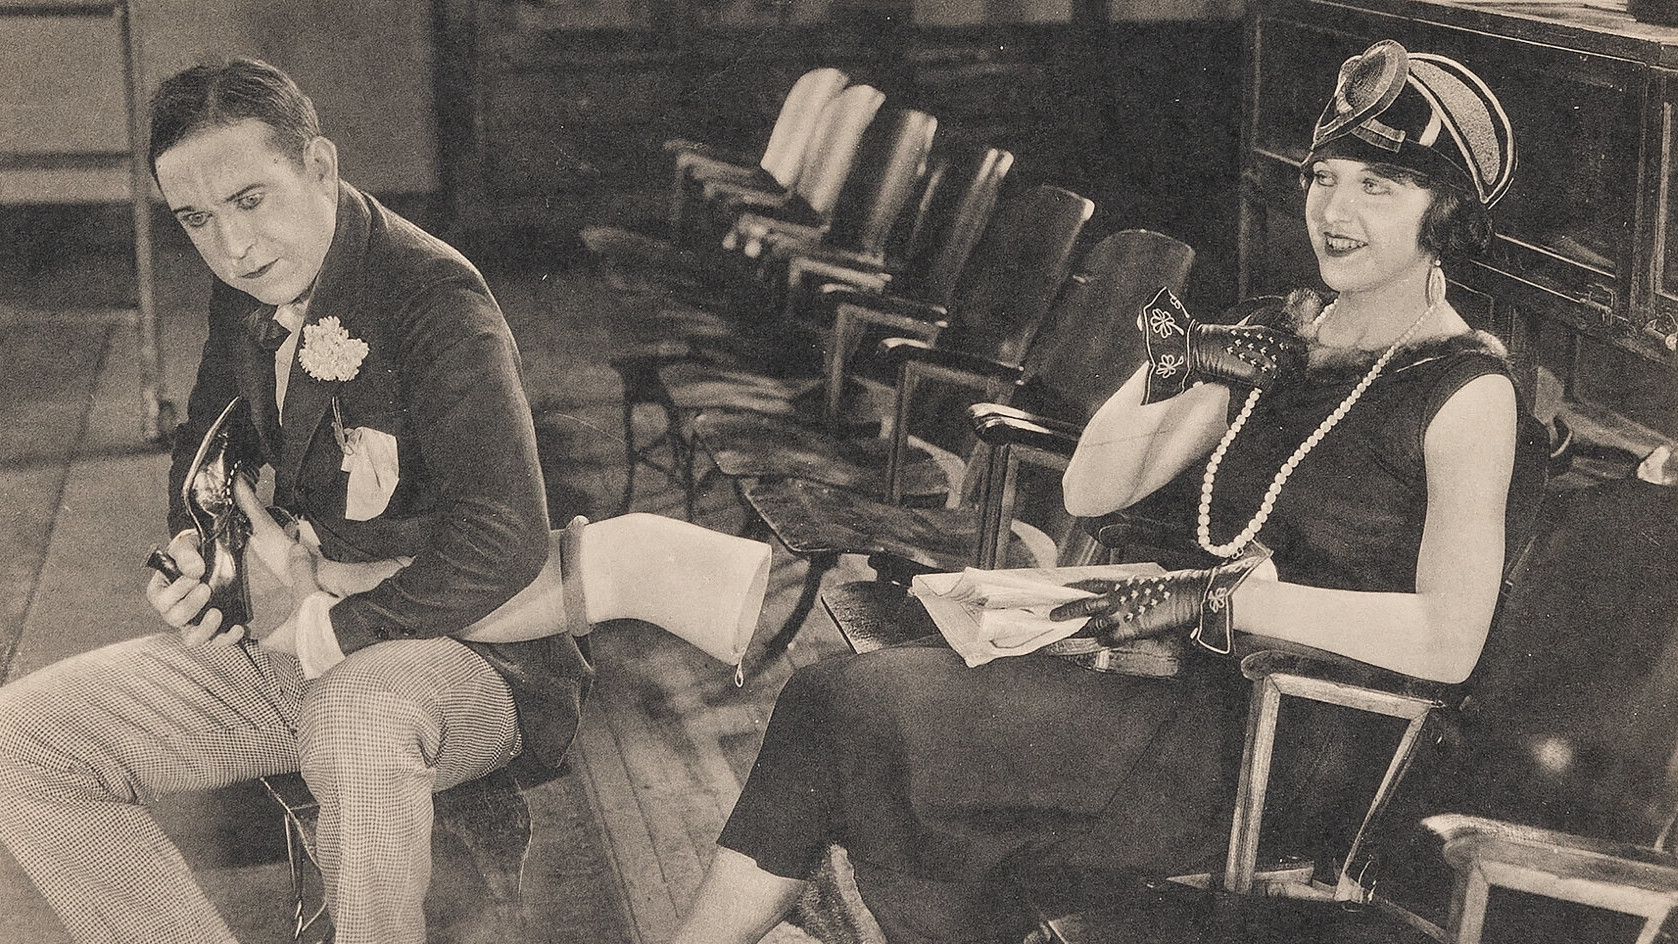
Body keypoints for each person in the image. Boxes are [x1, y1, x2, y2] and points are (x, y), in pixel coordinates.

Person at [672, 40, 1548, 944]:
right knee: (840, 707)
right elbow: (1094, 488)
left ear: (1445, 217)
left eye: (1379, 188)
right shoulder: (1280, 332)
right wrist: (1191, 364)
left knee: (847, 708)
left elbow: (1449, 641)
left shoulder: (1467, 391)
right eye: (1326, 178)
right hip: (1171, 688)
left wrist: (1224, 601)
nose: (1335, 211)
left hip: (1287, 741)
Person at [0, 58, 593, 944]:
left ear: (319, 166)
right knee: (22, 738)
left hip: (482, 656)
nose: (232, 246)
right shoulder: (250, 283)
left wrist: (332, 631)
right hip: (317, 634)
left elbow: (504, 534)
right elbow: (205, 438)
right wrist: (194, 551)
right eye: (196, 220)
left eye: (251, 199)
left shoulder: (431, 293)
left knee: (353, 715)